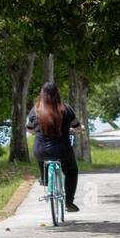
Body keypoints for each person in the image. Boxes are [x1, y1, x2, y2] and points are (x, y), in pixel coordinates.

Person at [26, 82, 84, 211]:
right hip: (62, 151)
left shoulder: (35, 110)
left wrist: (35, 131)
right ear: (58, 94)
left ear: (42, 94)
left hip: (40, 150)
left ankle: (45, 179)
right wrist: (80, 129)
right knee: (71, 172)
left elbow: (29, 128)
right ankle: (69, 202)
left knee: (42, 156)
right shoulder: (66, 109)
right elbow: (77, 127)